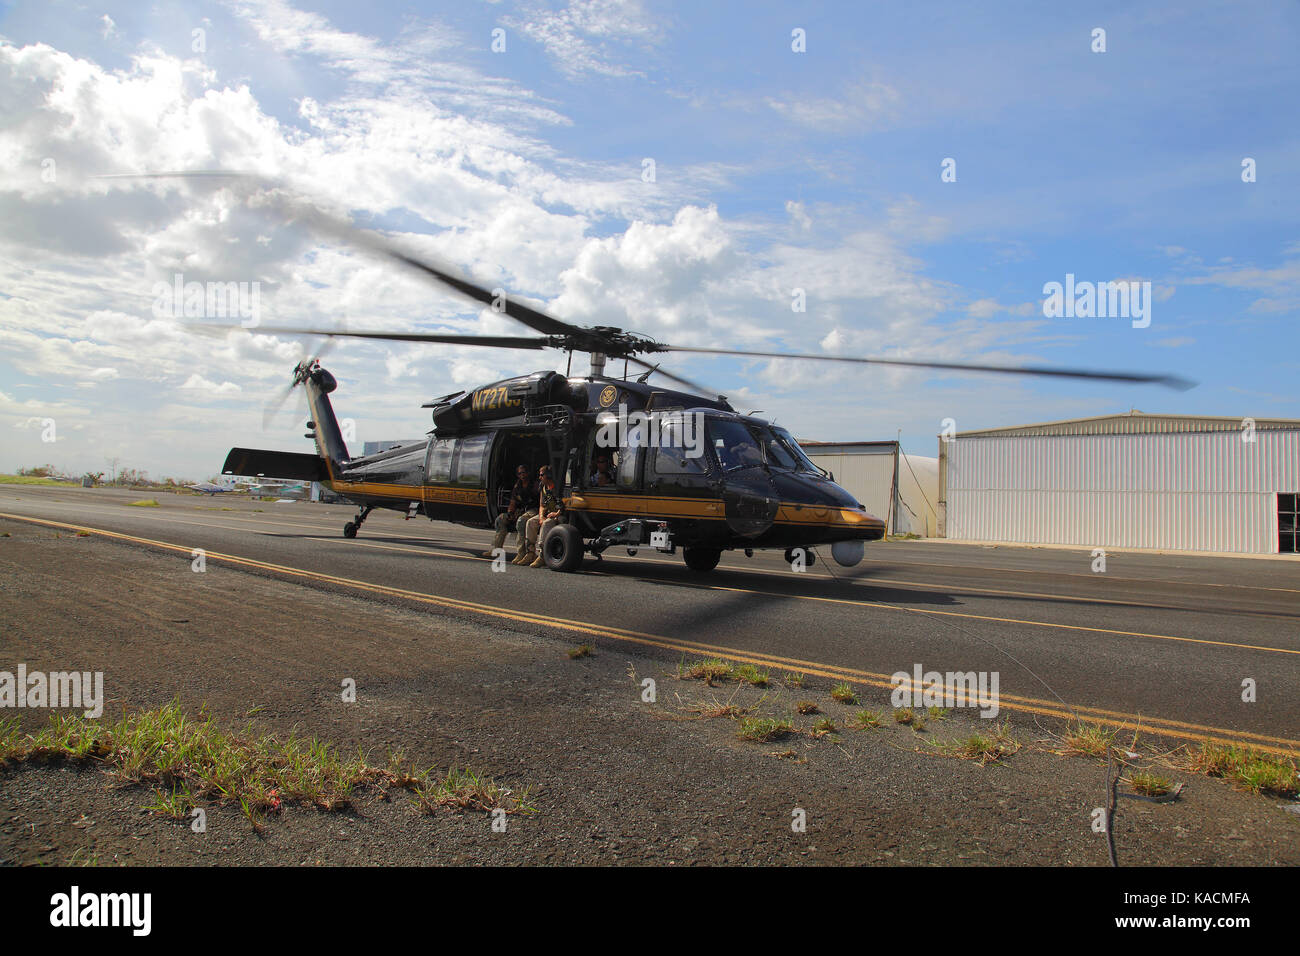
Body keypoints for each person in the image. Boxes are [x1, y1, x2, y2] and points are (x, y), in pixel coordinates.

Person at [483, 464, 536, 560]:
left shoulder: (534, 485)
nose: (522, 475)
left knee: (521, 522)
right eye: (519, 473)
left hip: (533, 510)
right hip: (520, 511)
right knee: (500, 519)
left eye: (523, 472)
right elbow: (513, 502)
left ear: (528, 473)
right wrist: (510, 513)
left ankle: (521, 553)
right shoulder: (517, 486)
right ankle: (497, 550)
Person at [523, 464, 564, 567]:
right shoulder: (543, 486)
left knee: (546, 524)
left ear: (549, 475)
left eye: (542, 475)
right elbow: (542, 504)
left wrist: (556, 513)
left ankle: (542, 555)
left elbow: (565, 504)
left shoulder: (559, 487)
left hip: (560, 514)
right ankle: (530, 553)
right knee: (530, 522)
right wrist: (541, 516)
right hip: (548, 512)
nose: (539, 477)